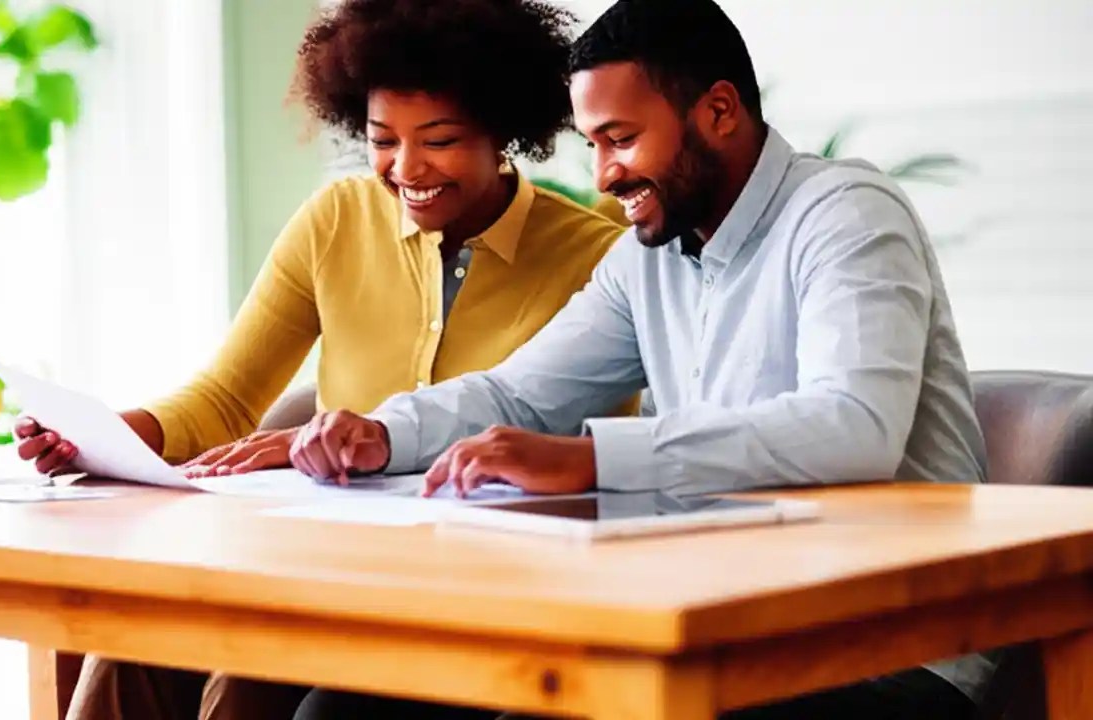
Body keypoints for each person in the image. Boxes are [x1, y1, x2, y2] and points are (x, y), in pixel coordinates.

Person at [285, 1, 993, 719]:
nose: (602, 176)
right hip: (726, 629)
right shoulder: (645, 260)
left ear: (719, 111)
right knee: (346, 710)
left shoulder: (844, 212)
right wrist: (382, 433)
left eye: (619, 139)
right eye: (593, 144)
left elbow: (853, 427)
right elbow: (519, 398)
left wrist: (593, 458)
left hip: (884, 650)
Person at [14, 1, 630, 718]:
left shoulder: (595, 258)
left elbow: (573, 445)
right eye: (382, 140)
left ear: (503, 132)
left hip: (499, 581)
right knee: (130, 642)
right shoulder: (335, 221)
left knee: (247, 675)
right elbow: (225, 397)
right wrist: (102, 438)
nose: (407, 168)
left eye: (440, 140)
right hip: (324, 564)